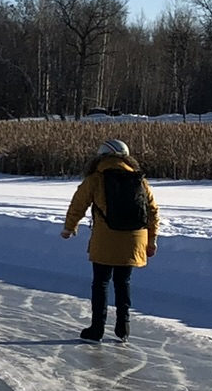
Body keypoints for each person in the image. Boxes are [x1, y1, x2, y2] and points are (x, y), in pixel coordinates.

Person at [61, 139, 159, 342]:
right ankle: (123, 328)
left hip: (106, 238)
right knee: (123, 282)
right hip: (134, 239)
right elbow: (152, 211)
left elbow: (78, 204)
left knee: (101, 283)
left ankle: (97, 329)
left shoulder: (96, 178)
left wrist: (69, 227)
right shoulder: (139, 179)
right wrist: (152, 239)